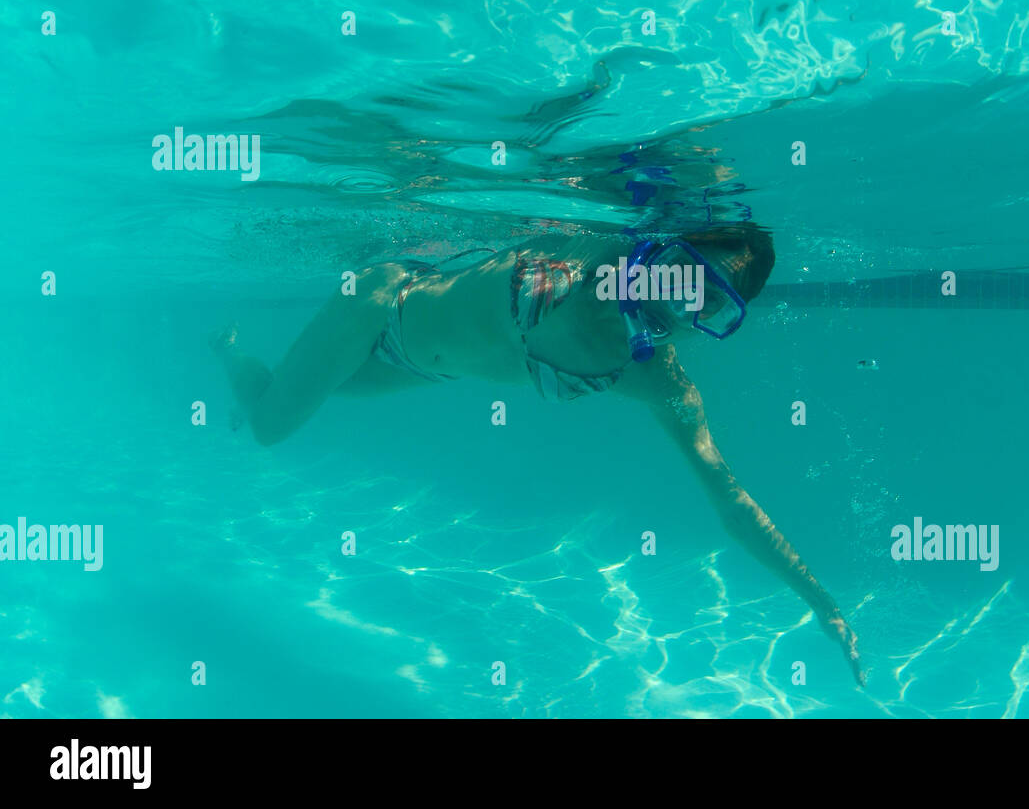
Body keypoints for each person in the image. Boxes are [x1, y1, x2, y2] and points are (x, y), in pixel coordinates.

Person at [213, 224, 865, 685]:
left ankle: (243, 366)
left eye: (709, 298)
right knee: (272, 427)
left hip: (422, 366)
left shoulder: (658, 379)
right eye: (686, 269)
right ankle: (229, 354)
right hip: (382, 303)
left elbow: (728, 497)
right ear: (662, 245)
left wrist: (821, 600)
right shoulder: (592, 251)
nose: (680, 294)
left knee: (298, 399)